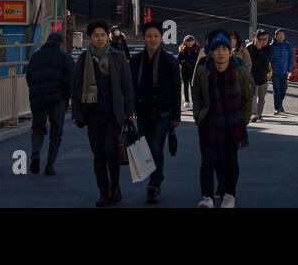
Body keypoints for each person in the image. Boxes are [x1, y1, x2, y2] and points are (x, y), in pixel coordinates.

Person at [71, 19, 135, 206]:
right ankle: (104, 192)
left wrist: (130, 110)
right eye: (95, 35)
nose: (99, 39)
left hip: (114, 113)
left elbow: (127, 85)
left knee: (111, 152)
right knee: (98, 154)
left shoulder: (117, 56)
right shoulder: (84, 58)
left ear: (107, 35)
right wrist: (77, 113)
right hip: (93, 114)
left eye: (102, 35)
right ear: (89, 38)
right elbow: (77, 87)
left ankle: (115, 186)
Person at [191, 30, 254, 208]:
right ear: (211, 52)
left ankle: (229, 195)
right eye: (216, 49)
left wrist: (245, 119)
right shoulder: (204, 70)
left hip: (233, 123)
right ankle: (207, 198)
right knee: (208, 160)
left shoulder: (239, 71)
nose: (220, 52)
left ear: (230, 51)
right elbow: (196, 94)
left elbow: (248, 96)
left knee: (230, 160)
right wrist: (198, 116)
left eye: (224, 48)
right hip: (209, 123)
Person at [128, 20, 182, 203]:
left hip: (164, 113)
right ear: (144, 38)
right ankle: (156, 178)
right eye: (149, 36)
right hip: (142, 112)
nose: (153, 40)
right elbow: (130, 89)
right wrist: (129, 110)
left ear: (162, 38)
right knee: (146, 150)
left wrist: (176, 115)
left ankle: (154, 185)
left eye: (156, 36)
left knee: (156, 147)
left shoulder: (169, 61)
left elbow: (176, 88)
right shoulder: (135, 61)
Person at [25, 31, 74, 176]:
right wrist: (67, 97)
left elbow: (29, 76)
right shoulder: (64, 57)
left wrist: (35, 91)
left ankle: (35, 154)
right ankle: (50, 166)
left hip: (38, 98)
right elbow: (70, 80)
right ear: (60, 43)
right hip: (57, 99)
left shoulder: (36, 56)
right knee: (56, 132)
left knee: (37, 129)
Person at [245, 29, 273, 123]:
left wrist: (260, 49)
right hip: (251, 75)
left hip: (263, 76)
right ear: (256, 39)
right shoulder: (249, 47)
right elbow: (246, 61)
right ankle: (250, 114)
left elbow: (267, 59)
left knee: (261, 97)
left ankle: (258, 115)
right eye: (262, 39)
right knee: (250, 96)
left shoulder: (268, 47)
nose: (265, 41)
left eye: (266, 38)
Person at [269, 29, 294, 114]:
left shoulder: (287, 45)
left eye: (283, 35)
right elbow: (268, 59)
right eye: (279, 35)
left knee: (283, 89)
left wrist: (289, 69)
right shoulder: (271, 46)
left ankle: (279, 104)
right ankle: (277, 108)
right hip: (274, 72)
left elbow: (291, 58)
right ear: (275, 36)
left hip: (284, 72)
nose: (281, 36)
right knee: (277, 89)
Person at [178, 35, 200, 108]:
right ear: (185, 42)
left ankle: (194, 101)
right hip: (185, 70)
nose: (190, 43)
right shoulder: (183, 50)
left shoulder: (197, 49)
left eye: (191, 41)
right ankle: (187, 101)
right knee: (186, 86)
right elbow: (178, 60)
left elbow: (199, 60)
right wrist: (183, 62)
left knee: (193, 86)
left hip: (193, 70)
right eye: (188, 41)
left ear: (194, 41)